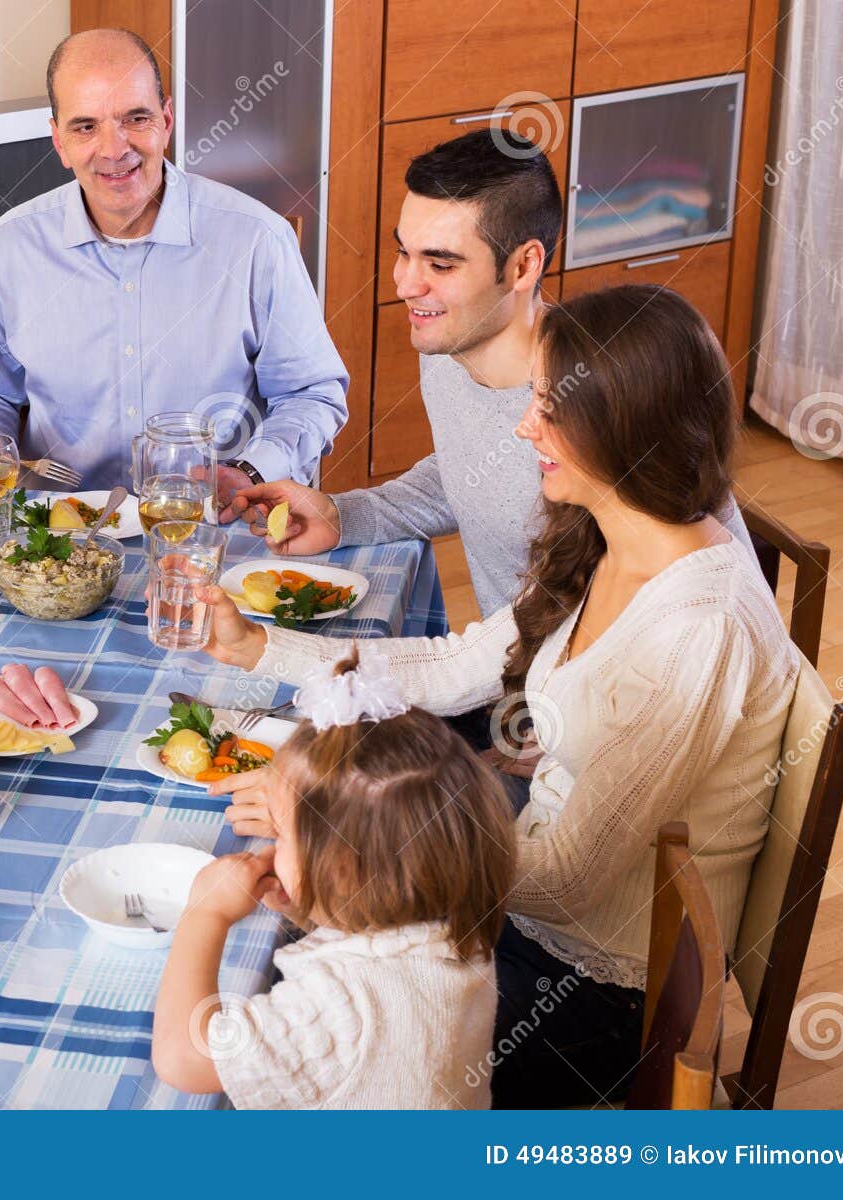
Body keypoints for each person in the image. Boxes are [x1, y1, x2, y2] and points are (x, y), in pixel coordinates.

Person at [178, 286, 799, 1106]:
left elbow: (571, 879)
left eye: (547, 407)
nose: (523, 426)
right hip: (526, 912)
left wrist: (344, 838)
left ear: (623, 425)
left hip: (592, 992)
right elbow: (459, 663)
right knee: (293, 940)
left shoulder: (697, 626)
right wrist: (258, 645)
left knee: (277, 1023)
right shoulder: (619, 535)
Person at [227, 130, 750, 617]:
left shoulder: (599, 401)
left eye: (440, 264)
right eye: (403, 252)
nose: (406, 284)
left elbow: (703, 597)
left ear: (523, 267)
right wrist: (340, 516)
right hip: (511, 676)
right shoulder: (447, 345)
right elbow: (469, 473)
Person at [0, 28, 347, 500]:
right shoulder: (10, 246)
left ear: (167, 120)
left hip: (209, 525)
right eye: (86, 127)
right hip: (57, 536)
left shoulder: (257, 239)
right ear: (58, 141)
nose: (114, 150)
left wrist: (251, 472)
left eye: (135, 118)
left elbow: (311, 394)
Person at [151, 650, 515, 1108]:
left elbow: (185, 1059)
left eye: (281, 835)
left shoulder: (341, 1004)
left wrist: (205, 914)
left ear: (342, 868)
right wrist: (310, 905)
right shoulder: (459, 924)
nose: (273, 848)